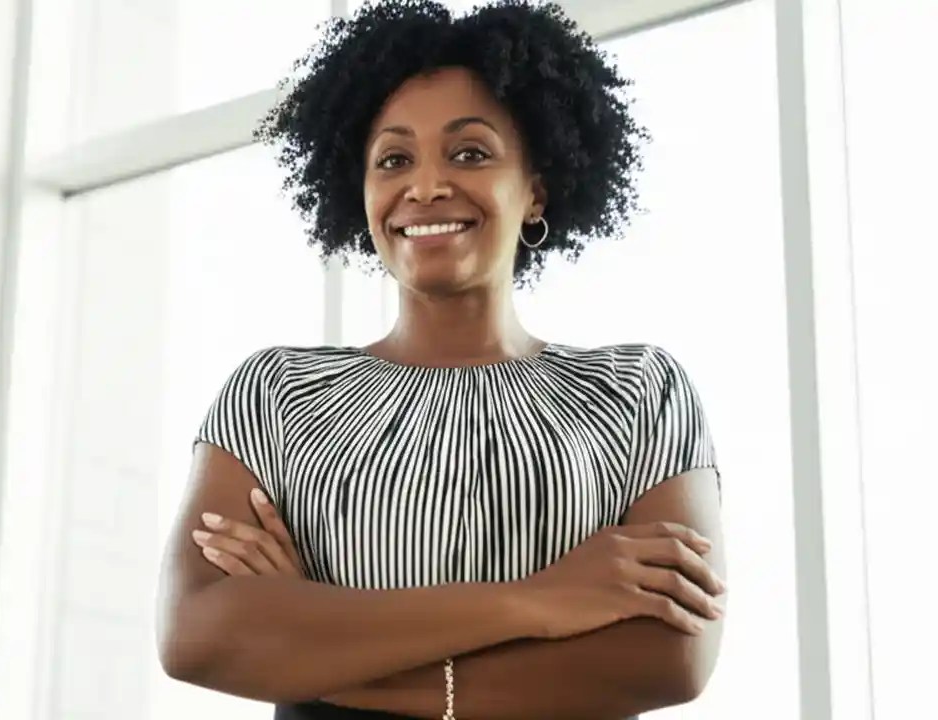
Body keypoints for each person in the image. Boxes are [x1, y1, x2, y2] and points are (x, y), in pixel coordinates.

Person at [155, 1, 726, 718]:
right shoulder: (278, 394)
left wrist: (311, 641)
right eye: (393, 159)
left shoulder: (639, 392)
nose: (424, 186)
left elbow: (667, 661)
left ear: (536, 187)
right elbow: (196, 638)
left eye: (470, 153)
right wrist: (541, 601)